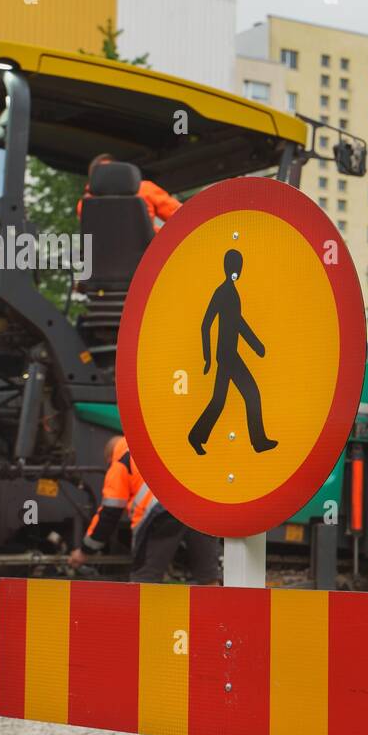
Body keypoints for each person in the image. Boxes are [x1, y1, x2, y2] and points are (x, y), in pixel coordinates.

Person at [69, 435, 220, 584]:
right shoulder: (154, 445)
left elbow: (109, 513)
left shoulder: (121, 463)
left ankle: (144, 607)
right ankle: (217, 607)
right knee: (209, 578)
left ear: (110, 457)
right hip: (200, 507)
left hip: (160, 514)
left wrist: (84, 552)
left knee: (144, 581)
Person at [188, 248, 277, 455]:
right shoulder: (223, 292)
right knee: (251, 394)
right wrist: (207, 358)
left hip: (227, 354)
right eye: (238, 265)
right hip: (227, 356)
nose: (239, 269)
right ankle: (258, 441)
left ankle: (196, 436)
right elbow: (205, 324)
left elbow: (238, 322)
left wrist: (257, 346)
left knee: (219, 400)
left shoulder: (230, 292)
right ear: (231, 267)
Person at [75, 153, 181, 229]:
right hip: (151, 256)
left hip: (105, 259)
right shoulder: (145, 189)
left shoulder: (85, 205)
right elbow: (182, 217)